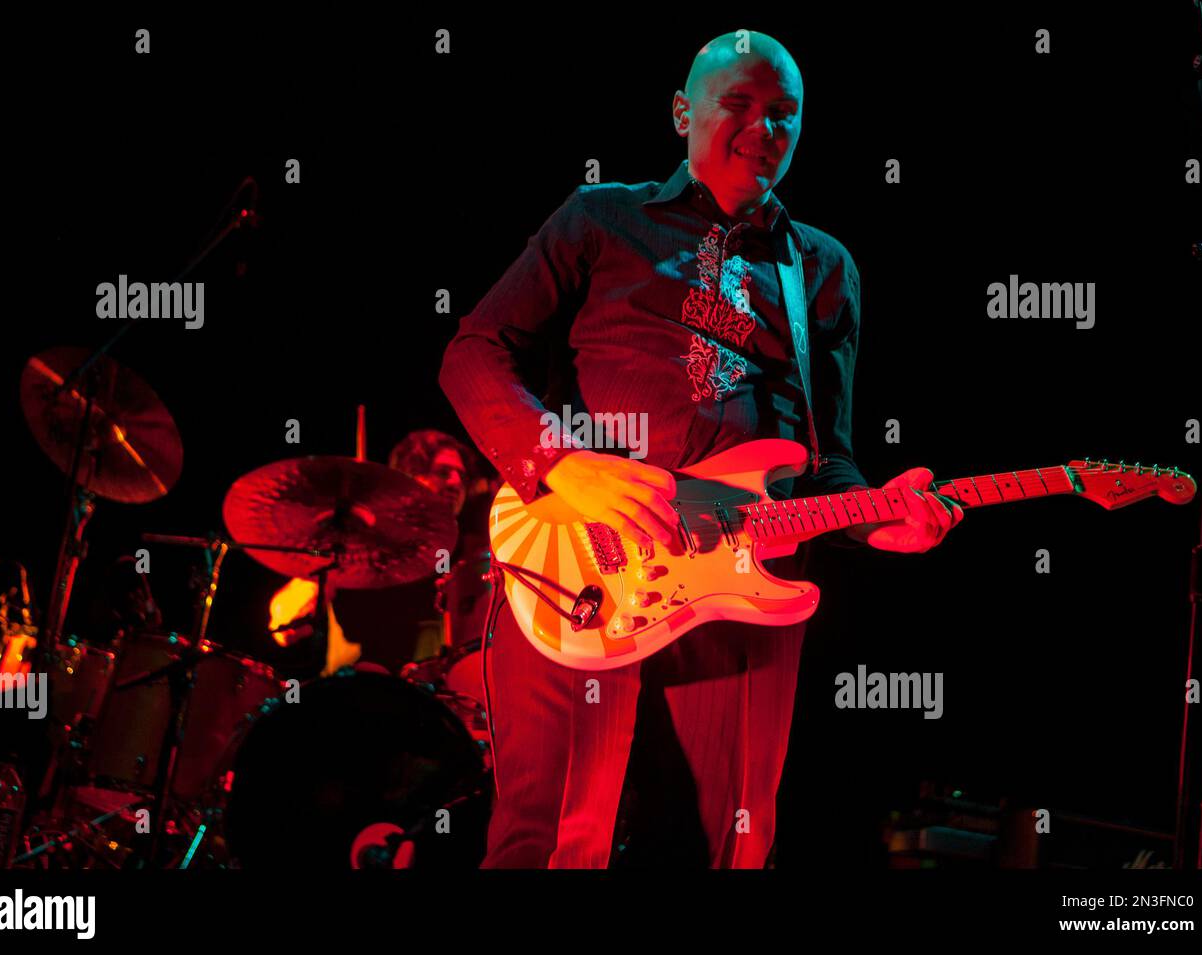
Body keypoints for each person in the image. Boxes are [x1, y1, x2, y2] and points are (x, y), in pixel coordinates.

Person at [438, 30, 964, 868]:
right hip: (579, 556)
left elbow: (829, 456)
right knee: (555, 837)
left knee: (733, 837)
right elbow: (473, 351)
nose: (765, 130)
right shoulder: (601, 216)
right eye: (741, 106)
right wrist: (562, 463)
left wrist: (875, 519)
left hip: (753, 568)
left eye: (785, 116)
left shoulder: (823, 267)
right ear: (683, 112)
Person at [267, 429, 490, 675]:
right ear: (411, 477)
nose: (456, 483)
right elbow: (285, 618)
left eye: (462, 476)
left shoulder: (471, 553)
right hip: (358, 696)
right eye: (444, 472)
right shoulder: (364, 542)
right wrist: (294, 609)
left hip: (440, 702)